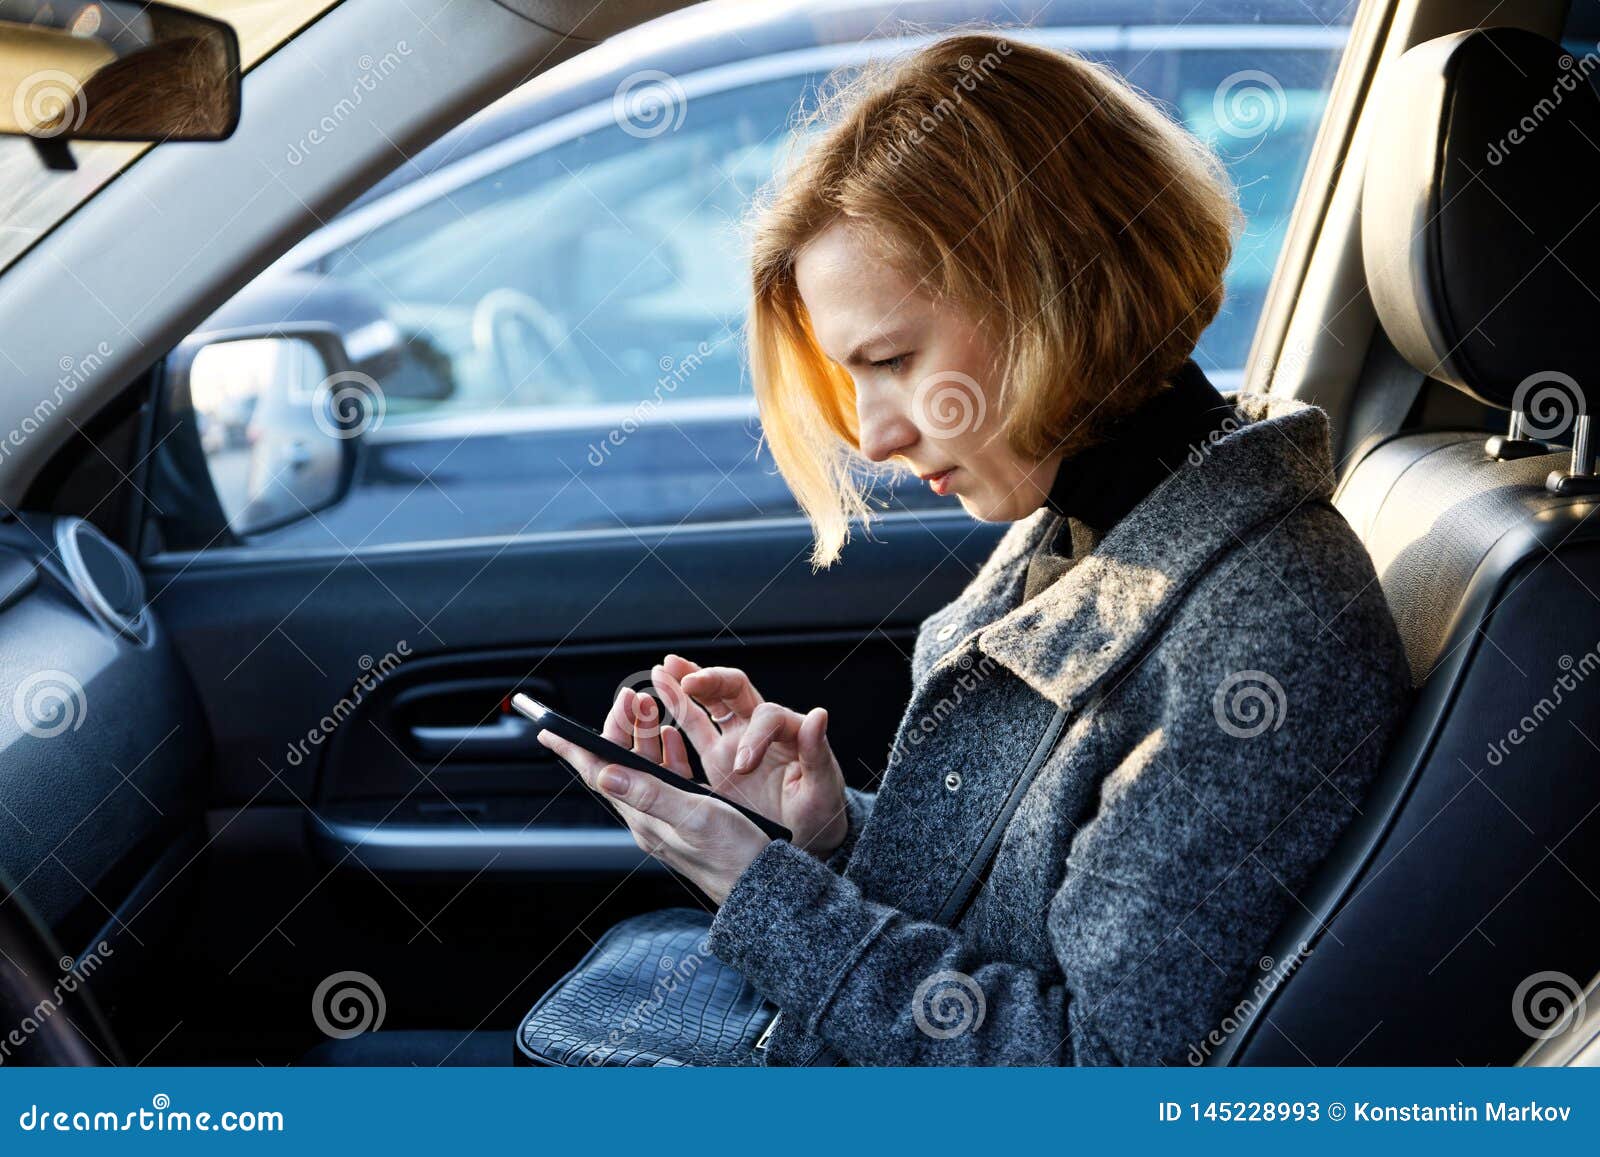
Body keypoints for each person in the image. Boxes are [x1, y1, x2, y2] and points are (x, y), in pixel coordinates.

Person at [536, 31, 1411, 1065]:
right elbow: (1025, 917)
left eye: (895, 359)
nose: (874, 435)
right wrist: (829, 836)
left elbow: (1096, 1077)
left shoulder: (1265, 627)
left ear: (1057, 289)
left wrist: (760, 890)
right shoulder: (1090, 525)